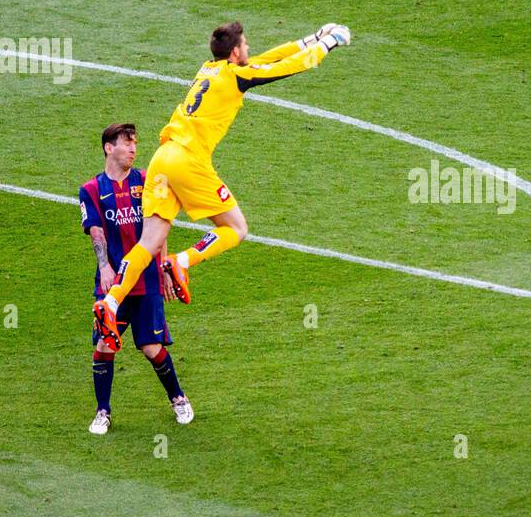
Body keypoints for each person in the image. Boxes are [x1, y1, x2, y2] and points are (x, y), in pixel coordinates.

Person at [92, 22, 351, 350]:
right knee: (237, 228)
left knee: (148, 242)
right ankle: (182, 261)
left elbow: (266, 59)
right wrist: (327, 44)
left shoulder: (210, 69)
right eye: (244, 45)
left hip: (162, 158)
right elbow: (286, 67)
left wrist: (309, 38)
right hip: (188, 161)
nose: (248, 49)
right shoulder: (235, 76)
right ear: (234, 52)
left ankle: (111, 302)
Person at [79, 123, 191, 434]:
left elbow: (159, 226)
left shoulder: (146, 181)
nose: (133, 149)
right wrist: (103, 267)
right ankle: (103, 412)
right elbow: (97, 232)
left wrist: (165, 266)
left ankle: (178, 397)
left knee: (151, 348)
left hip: (147, 280)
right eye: (127, 143)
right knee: (104, 345)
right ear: (108, 147)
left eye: (135, 143)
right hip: (113, 283)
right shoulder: (91, 190)